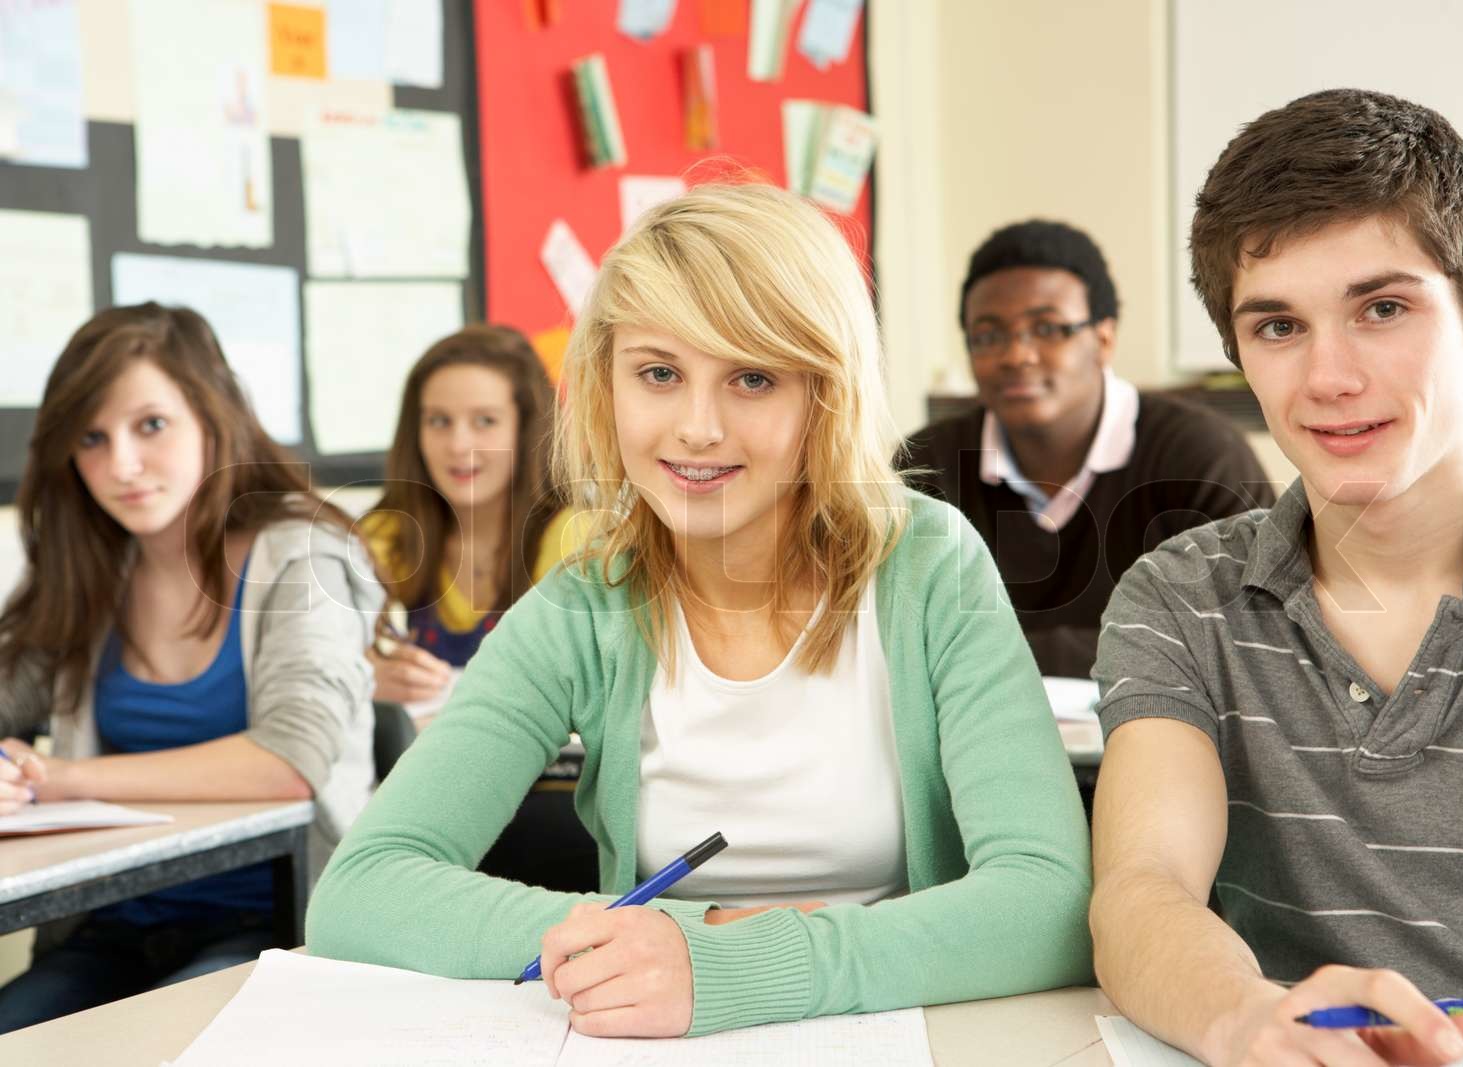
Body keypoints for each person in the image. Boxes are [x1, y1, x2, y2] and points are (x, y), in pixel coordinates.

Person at [306, 182, 1092, 1038]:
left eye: (752, 377)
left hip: (895, 1032)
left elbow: (1049, 901)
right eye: (659, 373)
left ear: (825, 394)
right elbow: (361, 889)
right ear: (605, 384)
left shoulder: (928, 565)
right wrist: (684, 936)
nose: (697, 427)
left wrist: (745, 960)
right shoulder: (582, 605)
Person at [1089, 88, 1463, 1067]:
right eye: (1278, 326)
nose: (1328, 376)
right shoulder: (1179, 597)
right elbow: (1141, 888)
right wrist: (1240, 1017)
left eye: (1382, 308)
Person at [0, 303, 380, 1032]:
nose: (122, 465)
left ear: (212, 415)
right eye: (92, 438)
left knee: (165, 1045)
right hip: (108, 927)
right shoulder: (91, 568)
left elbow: (290, 760)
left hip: (278, 925)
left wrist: (61, 777)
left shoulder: (302, 553)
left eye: (151, 425)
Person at [899, 220, 1272, 678]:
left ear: (1104, 339)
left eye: (1047, 328)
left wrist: (992, 657)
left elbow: (1244, 635)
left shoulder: (1200, 455)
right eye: (989, 335)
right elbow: (899, 639)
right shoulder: (925, 466)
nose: (1016, 355)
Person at [362, 324, 594, 891]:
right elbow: (322, 668)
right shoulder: (383, 536)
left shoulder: (577, 537)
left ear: (526, 428)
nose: (457, 444)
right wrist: (367, 677)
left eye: (485, 421)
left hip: (549, 803)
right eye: (438, 421)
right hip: (428, 790)